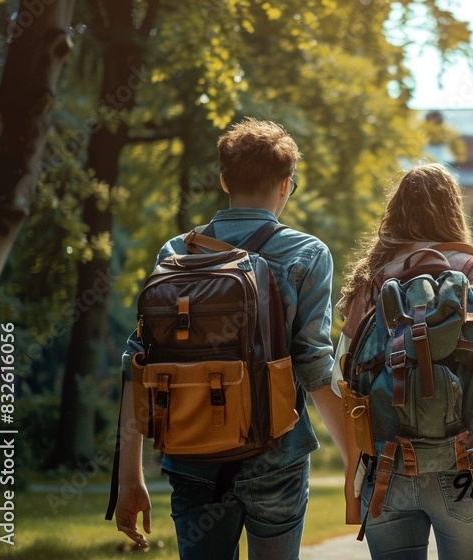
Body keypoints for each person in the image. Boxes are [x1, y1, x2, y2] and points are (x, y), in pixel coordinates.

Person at [113, 118, 348, 559]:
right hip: (276, 457)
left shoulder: (176, 253)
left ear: (224, 180)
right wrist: (355, 457)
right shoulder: (307, 253)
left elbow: (136, 363)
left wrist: (131, 480)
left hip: (191, 454)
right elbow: (314, 366)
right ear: (285, 184)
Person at [333, 162, 473, 559]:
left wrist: (354, 471)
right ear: (454, 210)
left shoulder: (373, 278)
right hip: (470, 468)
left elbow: (346, 381)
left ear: (396, 213)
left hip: (389, 467)